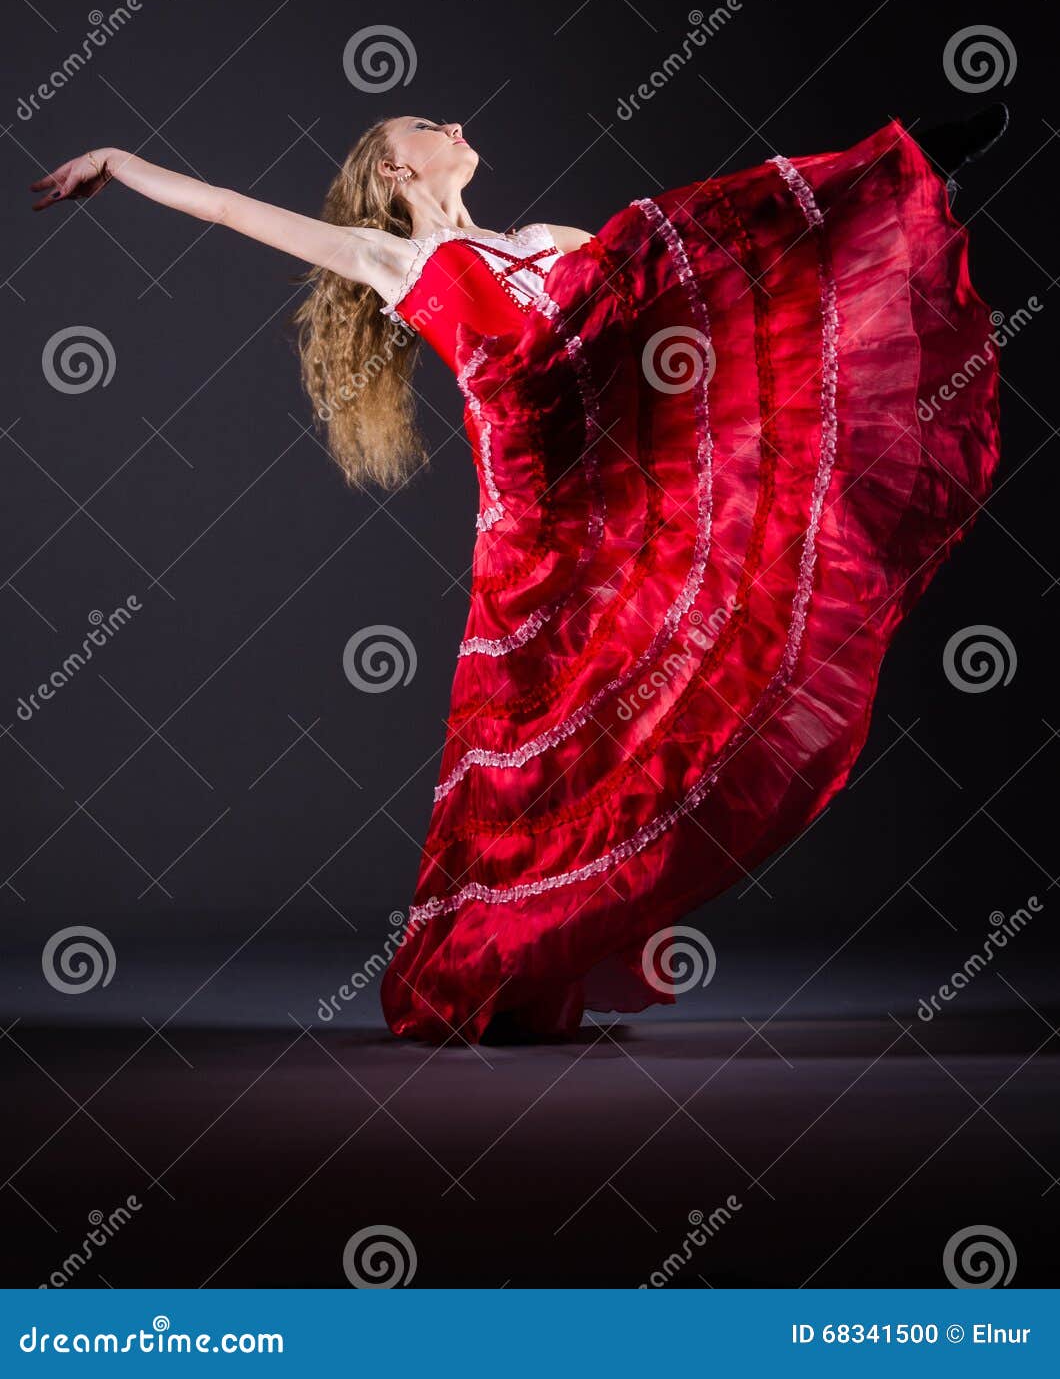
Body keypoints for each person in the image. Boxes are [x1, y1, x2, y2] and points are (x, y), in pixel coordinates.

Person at [31, 105, 1007, 1044]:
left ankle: (886, 175)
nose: (454, 127)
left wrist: (824, 240)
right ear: (393, 169)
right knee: (534, 774)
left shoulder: (544, 240)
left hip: (621, 525)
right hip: (533, 555)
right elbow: (233, 210)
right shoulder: (401, 259)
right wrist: (120, 162)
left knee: (660, 245)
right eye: (426, 125)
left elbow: (686, 285)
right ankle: (497, 967)